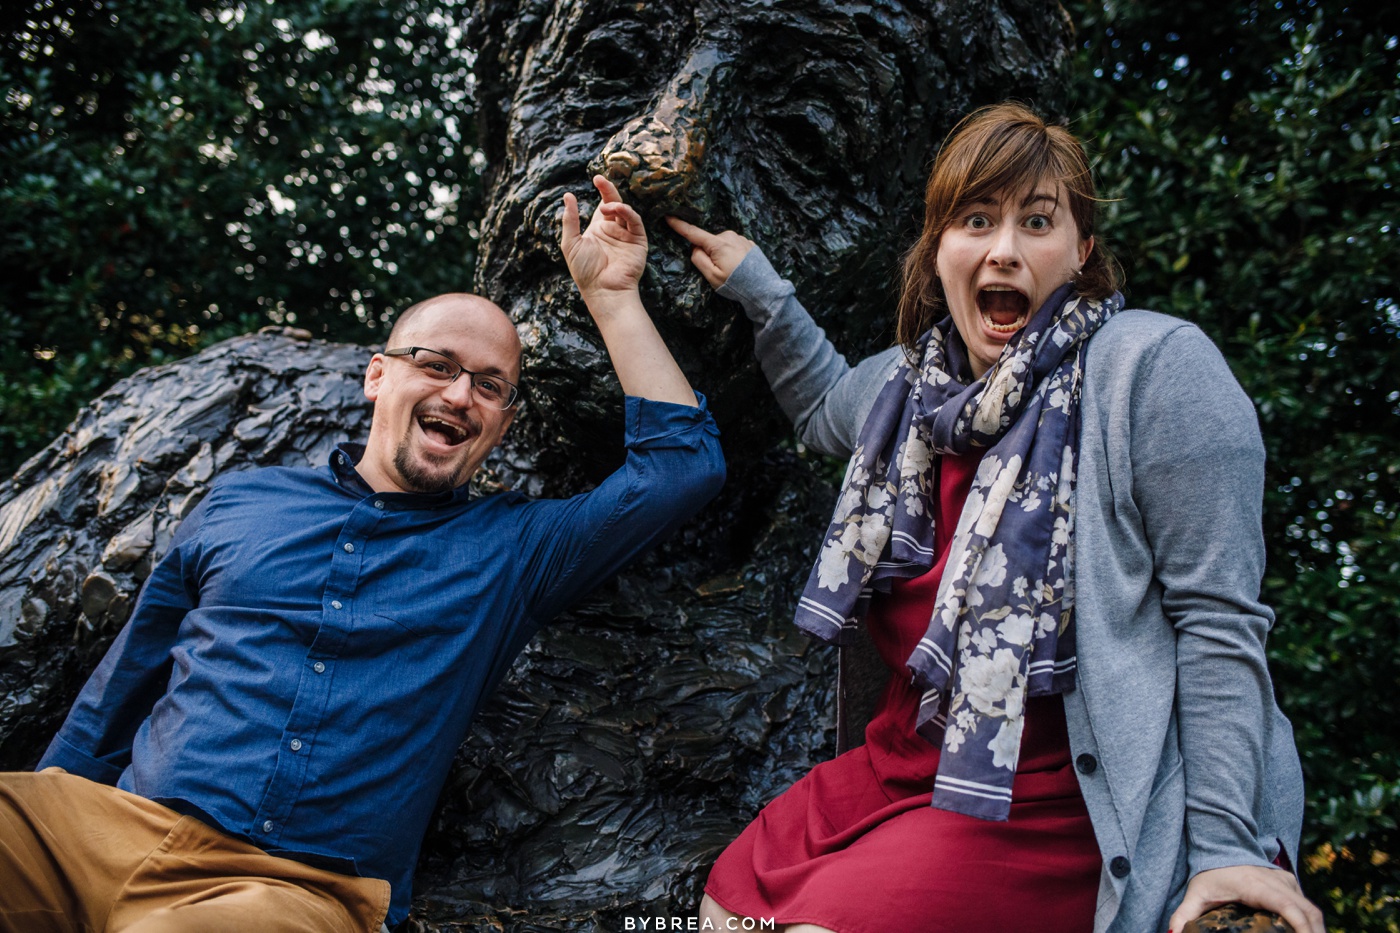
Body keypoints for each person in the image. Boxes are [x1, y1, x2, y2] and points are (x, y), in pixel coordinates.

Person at [0, 175, 725, 933]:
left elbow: (680, 468)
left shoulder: (514, 548)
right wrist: (54, 823)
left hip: (287, 890)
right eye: (437, 365)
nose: (460, 394)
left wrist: (611, 297)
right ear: (378, 375)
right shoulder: (241, 501)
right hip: (106, 831)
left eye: (489, 385)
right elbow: (115, 698)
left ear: (502, 425)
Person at [667, 103, 1324, 933]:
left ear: (1082, 251)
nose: (1004, 248)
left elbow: (1219, 621)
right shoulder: (906, 388)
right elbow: (823, 403)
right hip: (908, 767)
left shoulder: (1155, 373)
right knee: (724, 905)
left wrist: (1227, 845)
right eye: (976, 219)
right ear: (939, 251)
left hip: (1065, 798)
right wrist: (758, 286)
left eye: (1038, 221)